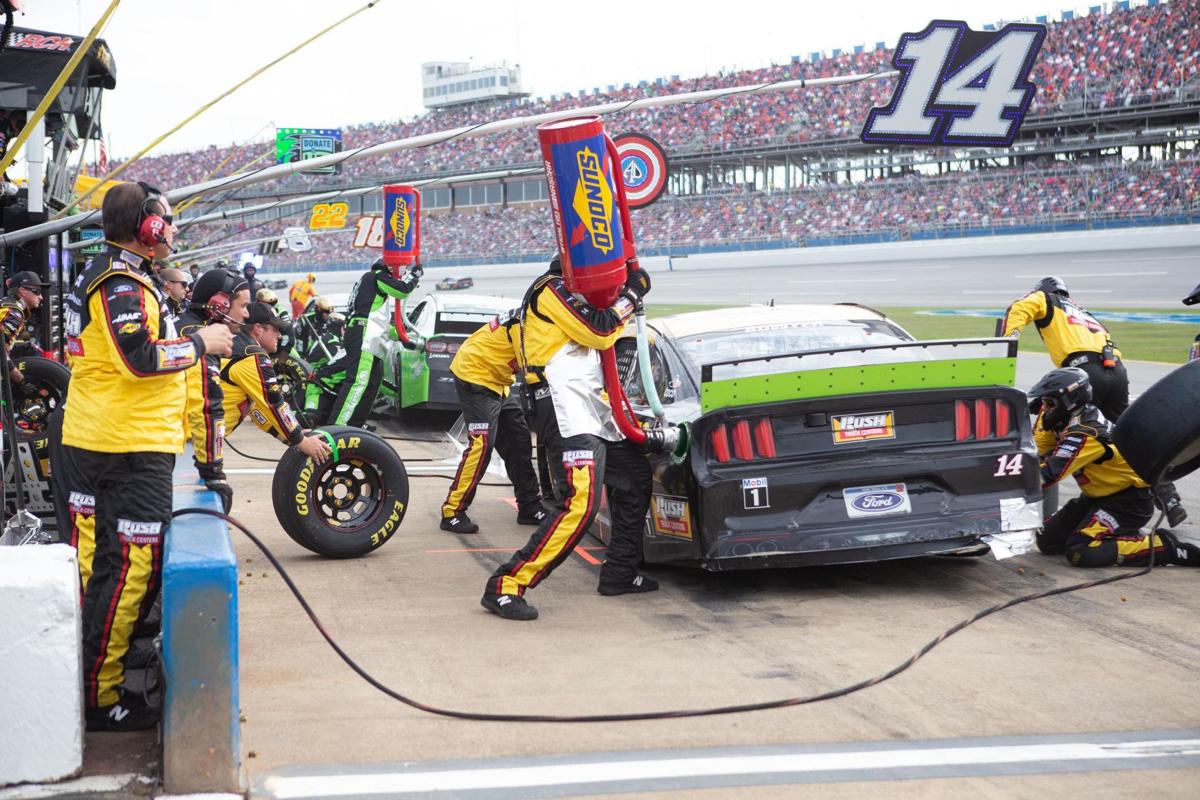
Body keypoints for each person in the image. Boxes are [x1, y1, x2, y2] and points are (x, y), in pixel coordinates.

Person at [59, 181, 234, 731]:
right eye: (167, 219)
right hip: (126, 446)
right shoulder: (121, 282)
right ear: (147, 226)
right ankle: (100, 695)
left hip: (102, 439)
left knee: (97, 569)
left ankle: (87, 675)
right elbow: (140, 359)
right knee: (129, 569)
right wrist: (204, 343)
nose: (173, 229)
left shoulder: (112, 273)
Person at [482, 257, 655, 621]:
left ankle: (620, 571)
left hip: (591, 405)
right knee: (580, 504)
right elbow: (600, 331)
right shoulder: (552, 288)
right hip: (561, 406)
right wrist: (631, 295)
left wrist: (622, 296)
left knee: (633, 477)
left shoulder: (581, 295)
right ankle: (507, 584)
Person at [1002, 276, 1186, 528]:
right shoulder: (1085, 313)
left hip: (1083, 372)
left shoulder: (1046, 298)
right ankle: (1170, 499)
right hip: (1116, 370)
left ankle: (1027, 508)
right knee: (1131, 442)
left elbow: (1018, 308)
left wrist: (1007, 341)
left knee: (1050, 431)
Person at [1030, 367, 1200, 569]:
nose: (1044, 409)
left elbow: (1047, 476)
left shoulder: (1085, 432)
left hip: (1128, 502)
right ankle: (1124, 535)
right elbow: (1032, 452)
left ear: (1069, 402)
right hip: (1095, 498)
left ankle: (1165, 547)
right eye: (1043, 402)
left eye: (1049, 403)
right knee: (1047, 541)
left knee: (1081, 551)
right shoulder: (1063, 420)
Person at [439, 307, 548, 533]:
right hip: (476, 375)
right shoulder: (529, 322)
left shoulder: (539, 314)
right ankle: (452, 512)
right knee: (482, 445)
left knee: (519, 441)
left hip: (498, 380)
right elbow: (532, 370)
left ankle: (529, 506)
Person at [309, 258, 421, 428]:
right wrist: (414, 276)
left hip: (370, 338)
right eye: (401, 270)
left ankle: (355, 425)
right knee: (358, 381)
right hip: (363, 335)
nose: (401, 274)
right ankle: (337, 427)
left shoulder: (374, 289)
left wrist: (406, 339)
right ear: (390, 268)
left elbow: (383, 324)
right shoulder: (377, 276)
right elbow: (403, 290)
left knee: (372, 385)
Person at [218, 302, 331, 464]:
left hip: (196, 433)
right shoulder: (252, 356)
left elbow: (256, 409)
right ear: (258, 328)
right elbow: (275, 404)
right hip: (195, 436)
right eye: (275, 329)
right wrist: (303, 442)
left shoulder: (237, 346)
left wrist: (290, 435)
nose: (279, 336)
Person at [177, 268, 252, 512]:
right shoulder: (200, 337)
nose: (247, 314)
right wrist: (213, 472)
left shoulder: (185, 326)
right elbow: (206, 408)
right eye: (243, 306)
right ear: (220, 305)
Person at [0, 270, 44, 370]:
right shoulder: (14, 312)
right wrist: (16, 374)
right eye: (37, 292)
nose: (41, 297)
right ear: (22, 291)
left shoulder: (7, 305)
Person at [295, 296, 336, 365]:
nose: (328, 315)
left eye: (330, 313)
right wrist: (301, 356)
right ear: (318, 310)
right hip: (309, 355)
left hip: (329, 354)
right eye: (326, 313)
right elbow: (300, 339)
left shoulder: (335, 319)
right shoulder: (305, 319)